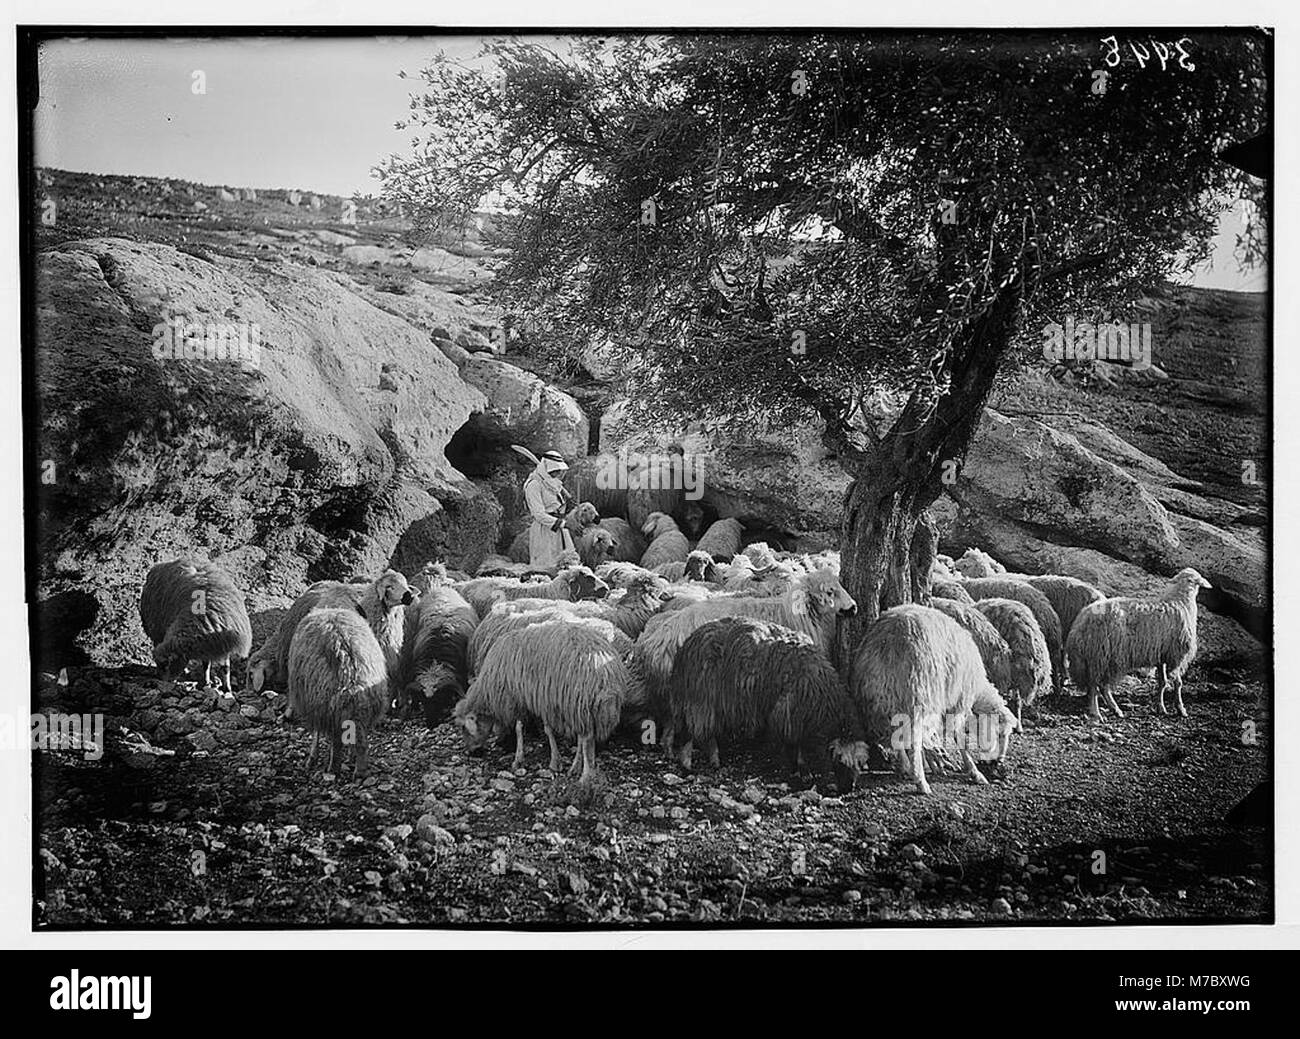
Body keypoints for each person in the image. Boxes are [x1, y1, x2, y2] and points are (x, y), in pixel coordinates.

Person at [523, 449, 574, 568]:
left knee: (566, 566)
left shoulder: (554, 483)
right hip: (544, 531)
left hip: (560, 530)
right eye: (555, 469)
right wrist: (563, 524)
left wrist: (567, 505)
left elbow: (557, 505)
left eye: (558, 470)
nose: (558, 472)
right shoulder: (534, 485)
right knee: (546, 566)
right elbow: (539, 514)